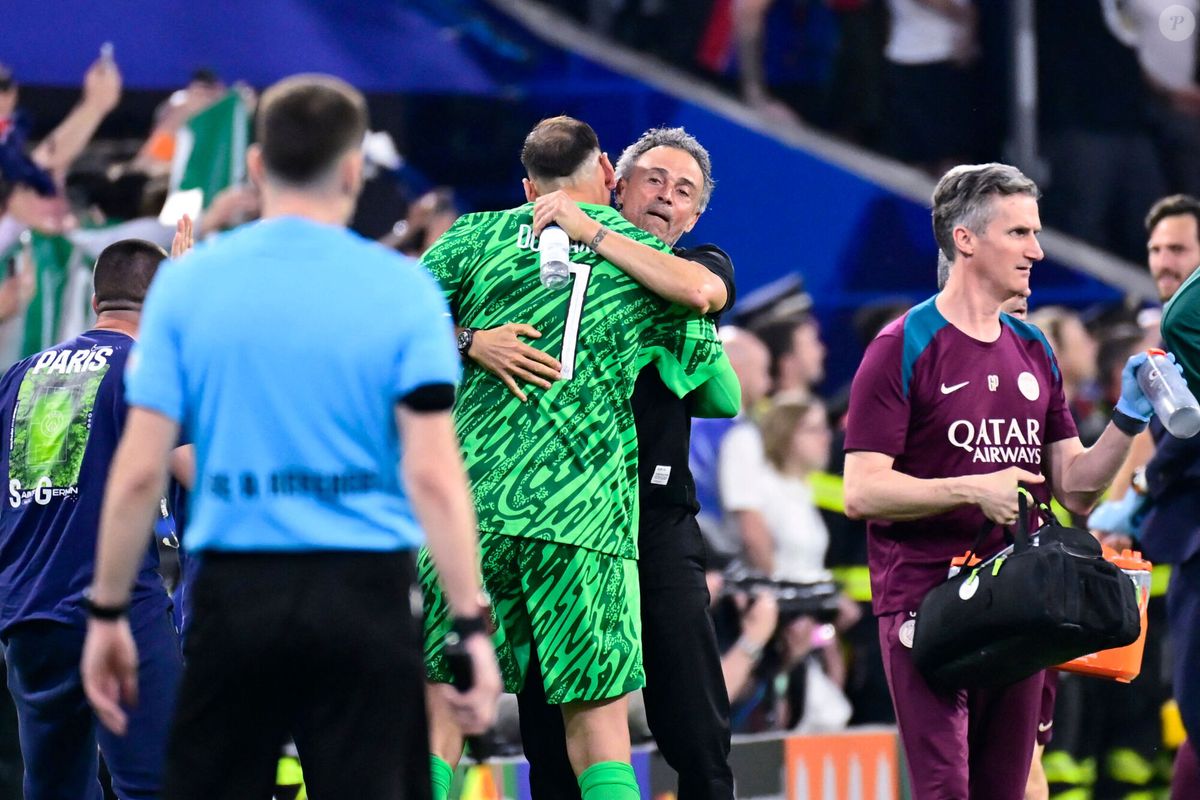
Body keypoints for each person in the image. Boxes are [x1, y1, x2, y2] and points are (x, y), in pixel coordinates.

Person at [78, 74, 499, 799]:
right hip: (364, 595)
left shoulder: (187, 288)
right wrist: (470, 624)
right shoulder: (404, 291)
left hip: (237, 597)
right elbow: (434, 473)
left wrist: (109, 610)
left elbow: (140, 471)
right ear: (353, 171)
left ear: (253, 166)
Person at [418, 116, 738, 800]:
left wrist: (470, 339)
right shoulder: (652, 273)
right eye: (654, 179)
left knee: (443, 708)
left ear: (532, 185)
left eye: (683, 189)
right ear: (610, 180)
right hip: (586, 520)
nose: (664, 196)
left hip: (469, 511)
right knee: (596, 728)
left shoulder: (475, 234)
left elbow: (386, 316)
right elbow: (721, 383)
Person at [843, 162, 1162, 799]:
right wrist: (969, 487)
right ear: (965, 238)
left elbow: (1073, 486)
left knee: (1006, 788)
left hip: (1022, 594)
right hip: (927, 599)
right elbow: (861, 489)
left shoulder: (1033, 347)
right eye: (1019, 233)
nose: (1037, 250)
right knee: (946, 789)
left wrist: (1128, 418)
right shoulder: (902, 344)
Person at [0, 239, 179, 800]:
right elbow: (200, 469)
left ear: (98, 300)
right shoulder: (144, 369)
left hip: (28, 615)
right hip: (117, 607)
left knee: (53, 790)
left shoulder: (18, 376)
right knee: (160, 785)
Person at [1141, 194, 1200, 796]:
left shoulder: (1185, 324)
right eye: (1156, 249)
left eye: (1178, 249)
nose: (1164, 261)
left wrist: (1148, 483)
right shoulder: (1167, 330)